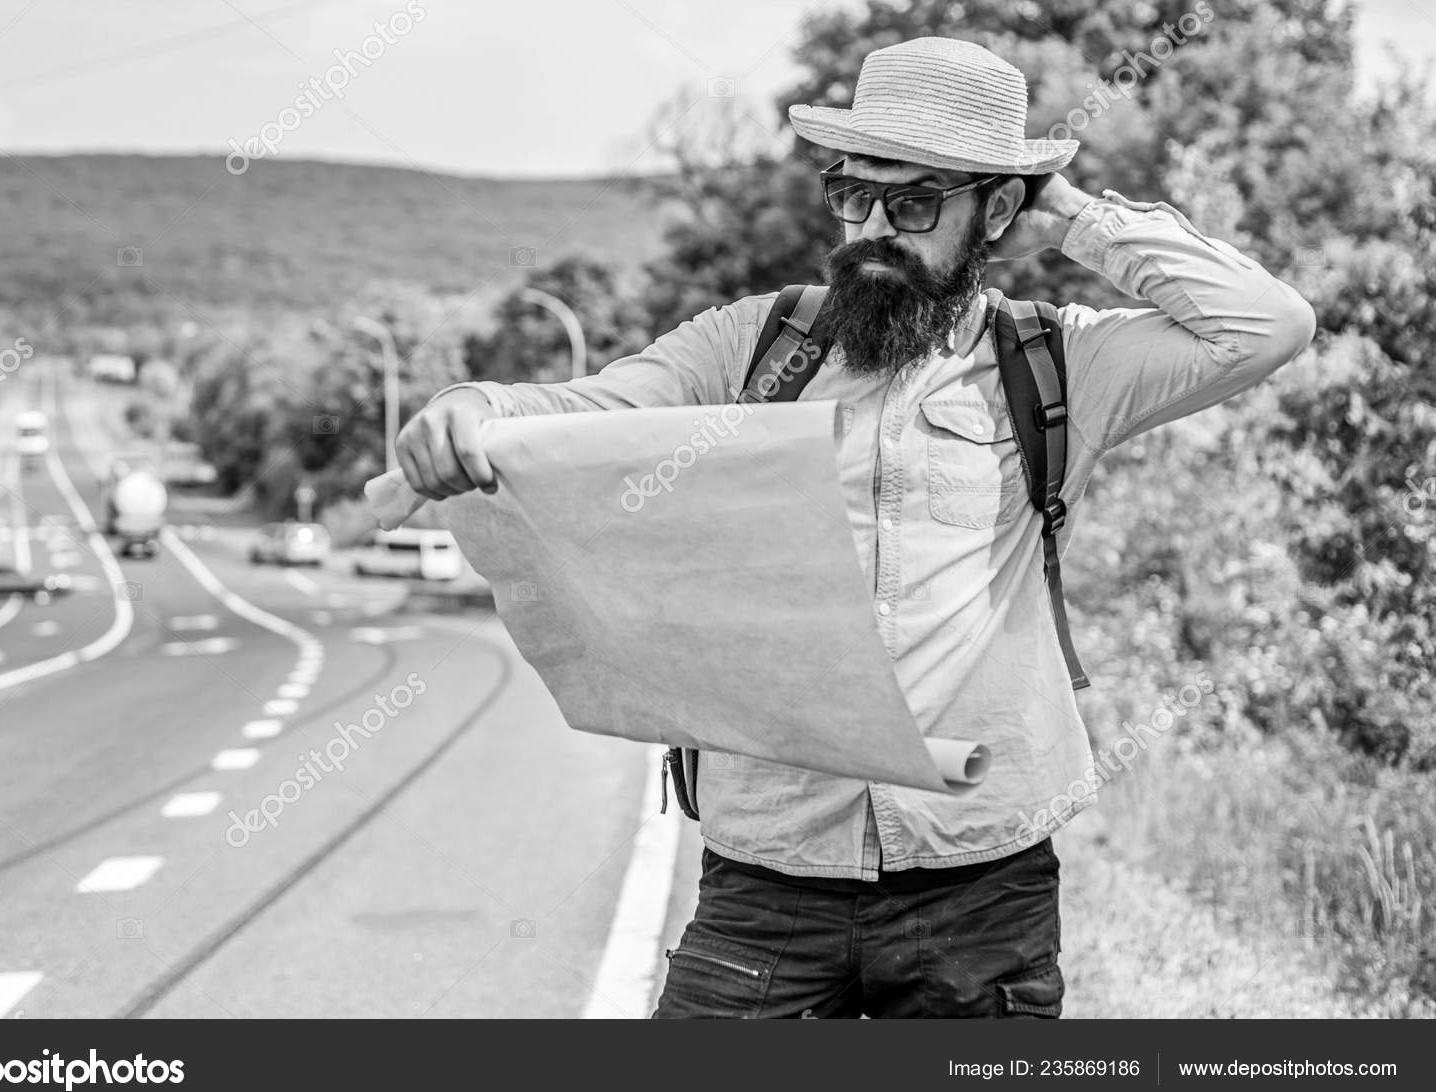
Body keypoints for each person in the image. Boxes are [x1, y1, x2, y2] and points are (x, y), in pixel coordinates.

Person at [395, 37, 1316, 1018]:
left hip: (981, 885)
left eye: (913, 202)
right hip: (767, 882)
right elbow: (597, 406)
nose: (869, 228)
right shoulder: (748, 348)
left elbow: (1267, 324)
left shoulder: (1060, 366)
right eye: (850, 193)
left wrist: (1069, 213)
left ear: (994, 211)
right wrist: (476, 405)